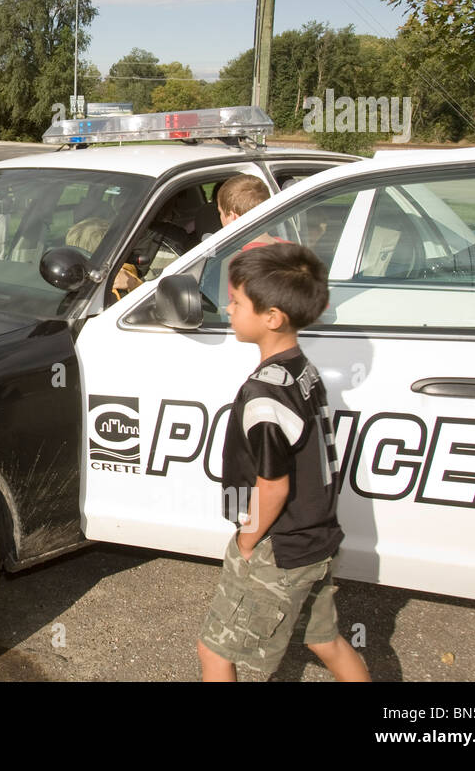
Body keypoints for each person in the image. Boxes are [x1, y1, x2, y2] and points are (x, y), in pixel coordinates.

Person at [196, 243, 370, 682]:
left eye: (236, 302)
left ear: (272, 317)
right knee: (323, 639)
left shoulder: (265, 397)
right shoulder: (302, 370)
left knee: (215, 650)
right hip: (317, 538)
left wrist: (248, 543)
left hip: (281, 546)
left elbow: (273, 486)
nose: (229, 309)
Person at [216, 174, 285, 249]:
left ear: (233, 217)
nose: (220, 217)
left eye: (220, 212)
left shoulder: (243, 259)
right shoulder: (290, 248)